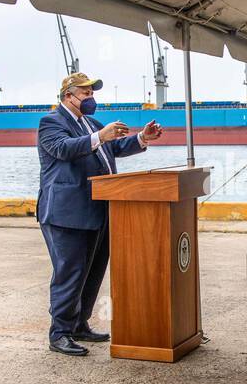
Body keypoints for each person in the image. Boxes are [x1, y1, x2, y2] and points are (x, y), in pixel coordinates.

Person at [37, 72, 163, 356]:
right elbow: (62, 149)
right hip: (65, 213)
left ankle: (80, 324)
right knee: (70, 272)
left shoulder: (90, 123)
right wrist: (99, 136)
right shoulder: (51, 123)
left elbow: (114, 147)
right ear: (68, 96)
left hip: (100, 209)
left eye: (92, 94)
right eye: (86, 94)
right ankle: (60, 333)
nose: (91, 99)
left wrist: (142, 138)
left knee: (92, 272)